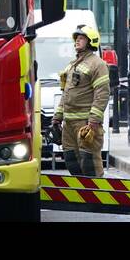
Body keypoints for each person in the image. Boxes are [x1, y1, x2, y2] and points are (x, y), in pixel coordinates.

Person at [51, 24, 110, 178]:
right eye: (76, 38)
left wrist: (94, 121)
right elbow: (66, 94)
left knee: (89, 163)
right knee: (72, 162)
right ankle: (80, 198)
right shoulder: (72, 65)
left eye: (81, 38)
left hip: (85, 124)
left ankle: (98, 194)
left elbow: (102, 94)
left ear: (91, 41)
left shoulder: (98, 64)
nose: (77, 41)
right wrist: (57, 117)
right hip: (69, 124)